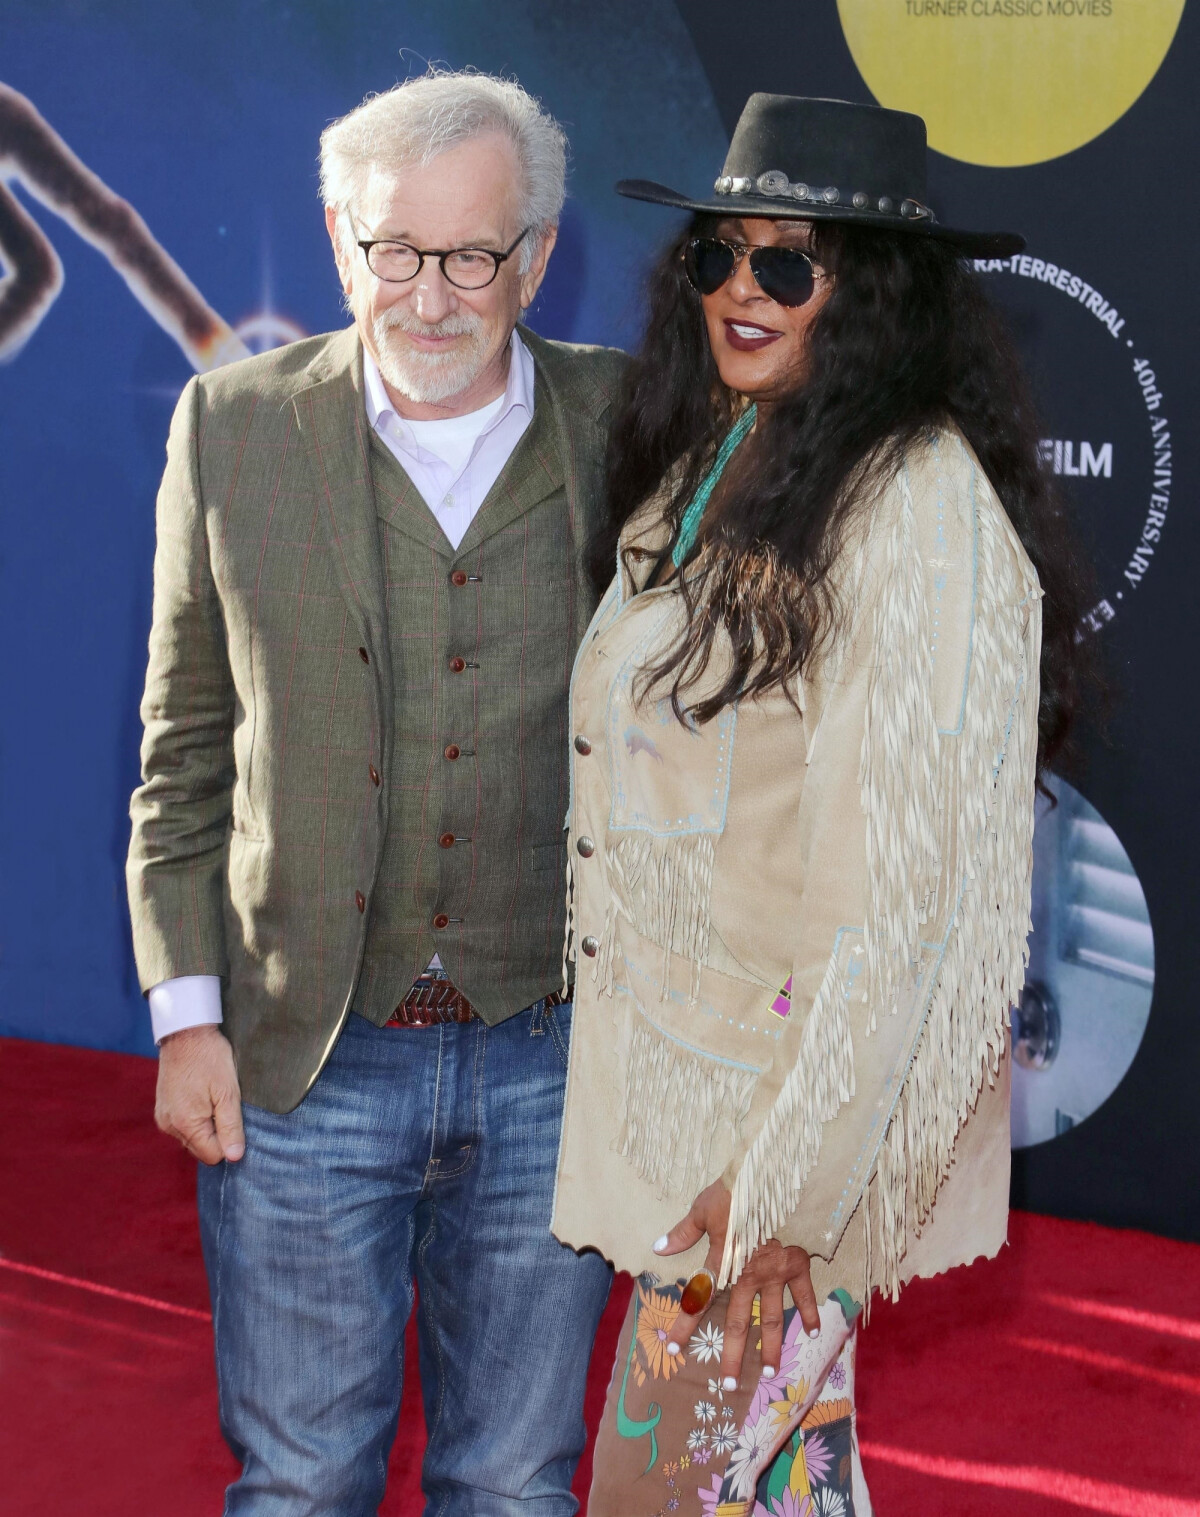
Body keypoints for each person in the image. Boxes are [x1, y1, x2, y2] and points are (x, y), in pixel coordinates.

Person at [550, 96, 1089, 1515]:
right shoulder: (719, 456)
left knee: (654, 1496)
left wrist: (787, 1188)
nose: (740, 289)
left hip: (770, 1170)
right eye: (719, 257)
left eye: (788, 266)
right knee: (771, 1492)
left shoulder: (918, 513)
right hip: (689, 1111)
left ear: (873, 297)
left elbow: (902, 905)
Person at [126, 70, 625, 1515]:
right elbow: (185, 751)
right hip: (304, 1062)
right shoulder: (231, 430)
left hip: (552, 1055)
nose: (429, 293)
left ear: (535, 256)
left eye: (472, 253)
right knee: (296, 1480)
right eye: (393, 250)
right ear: (340, 246)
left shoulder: (624, 426)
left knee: (520, 1483)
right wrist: (187, 1018)